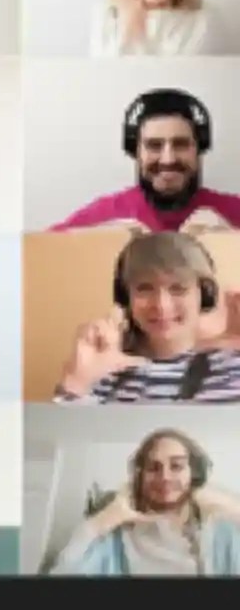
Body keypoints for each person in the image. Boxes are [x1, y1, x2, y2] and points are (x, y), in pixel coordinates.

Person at [55, 232, 240, 404]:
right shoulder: (103, 369)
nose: (161, 305)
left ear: (205, 295)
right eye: (144, 288)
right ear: (126, 297)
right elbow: (65, 436)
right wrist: (76, 383)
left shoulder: (231, 367)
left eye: (178, 289)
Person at [48, 428, 240, 575]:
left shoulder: (221, 531)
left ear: (194, 473)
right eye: (153, 467)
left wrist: (233, 509)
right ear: (140, 476)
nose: (164, 476)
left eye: (176, 466)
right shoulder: (115, 539)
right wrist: (100, 523)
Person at [51, 89, 240, 232]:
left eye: (181, 144)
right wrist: (93, 241)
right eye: (154, 145)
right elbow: (31, 260)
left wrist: (231, 242)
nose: (168, 159)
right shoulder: (104, 214)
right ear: (135, 151)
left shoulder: (233, 210)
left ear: (199, 149)